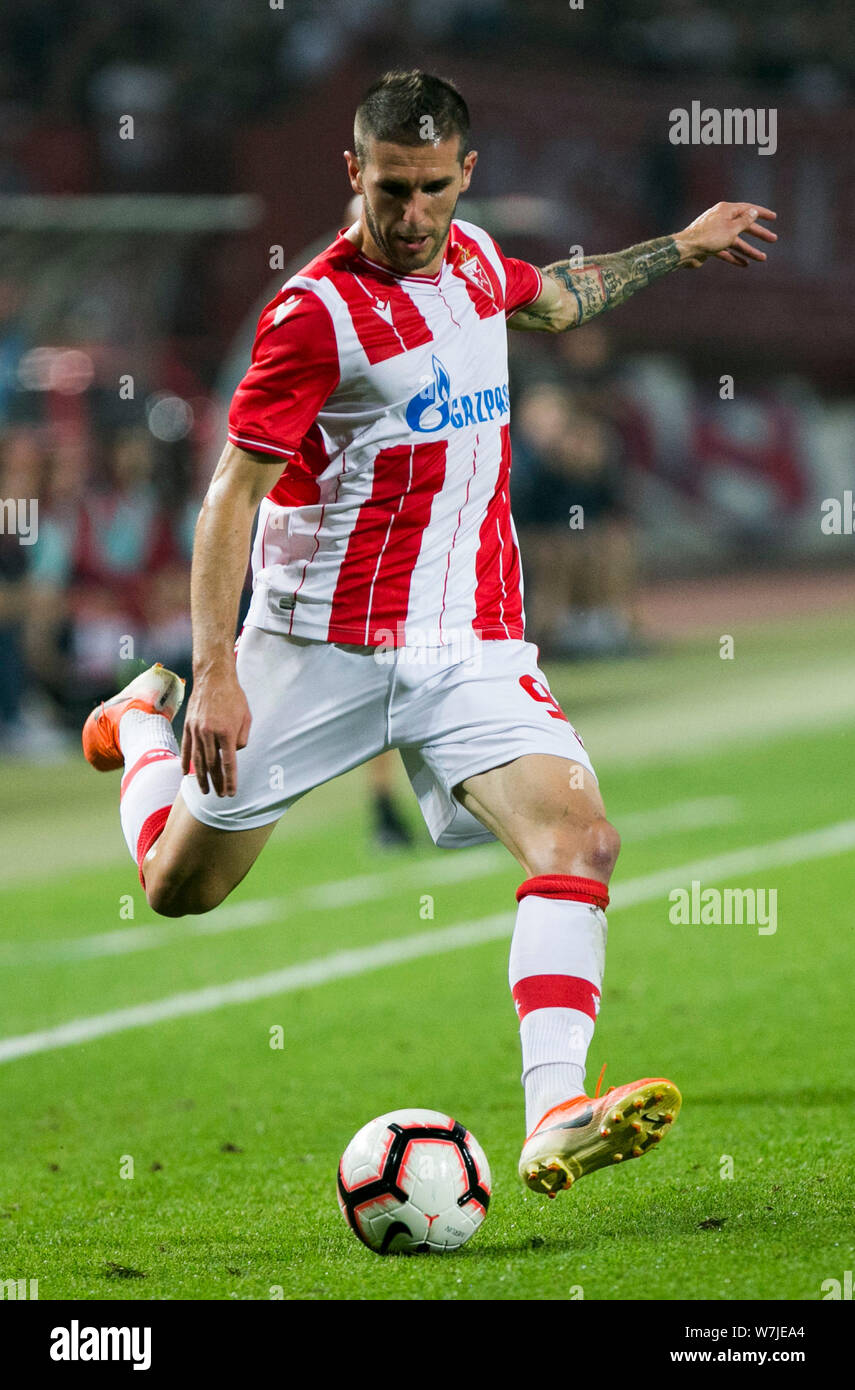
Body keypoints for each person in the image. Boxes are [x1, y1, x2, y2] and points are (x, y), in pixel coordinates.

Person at [82, 70, 776, 1198]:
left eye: (430, 191)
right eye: (389, 190)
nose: (409, 217)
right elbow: (228, 498)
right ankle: (139, 722)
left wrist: (681, 249)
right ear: (353, 173)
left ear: (466, 175)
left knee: (582, 841)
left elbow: (556, 296)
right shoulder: (313, 316)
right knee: (178, 888)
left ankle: (555, 1108)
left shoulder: (472, 262)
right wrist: (213, 673)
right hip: (314, 646)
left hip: (468, 641)